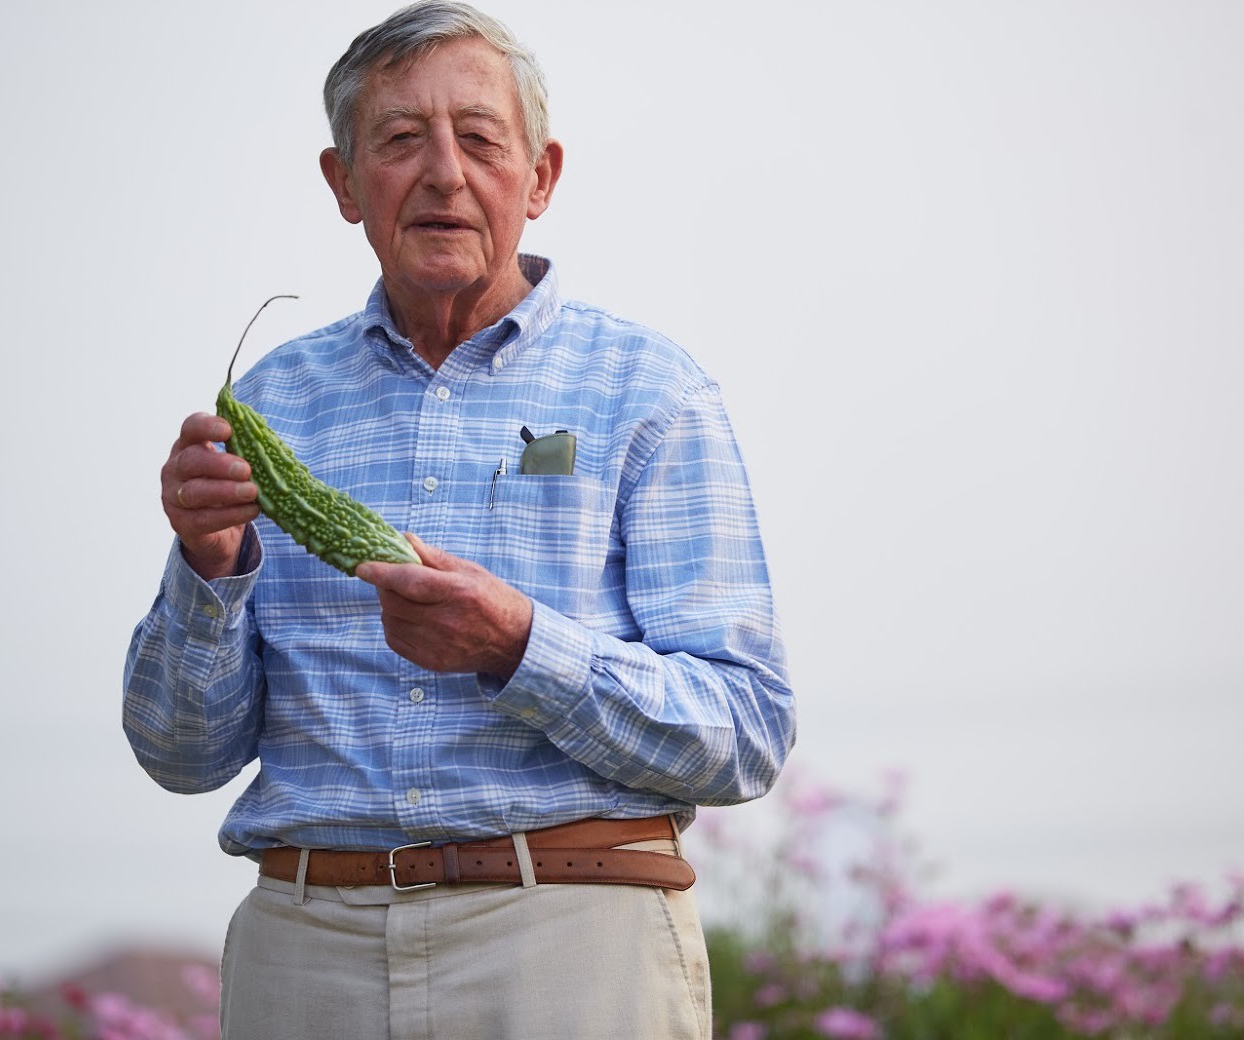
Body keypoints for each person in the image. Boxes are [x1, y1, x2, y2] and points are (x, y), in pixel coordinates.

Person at [123, 3, 795, 1037]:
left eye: (480, 140)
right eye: (399, 141)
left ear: (541, 175)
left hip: (570, 934)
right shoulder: (270, 405)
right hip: (309, 943)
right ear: (343, 182)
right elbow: (179, 753)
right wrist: (208, 565)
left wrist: (519, 645)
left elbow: (745, 733)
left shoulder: (650, 391)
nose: (444, 173)